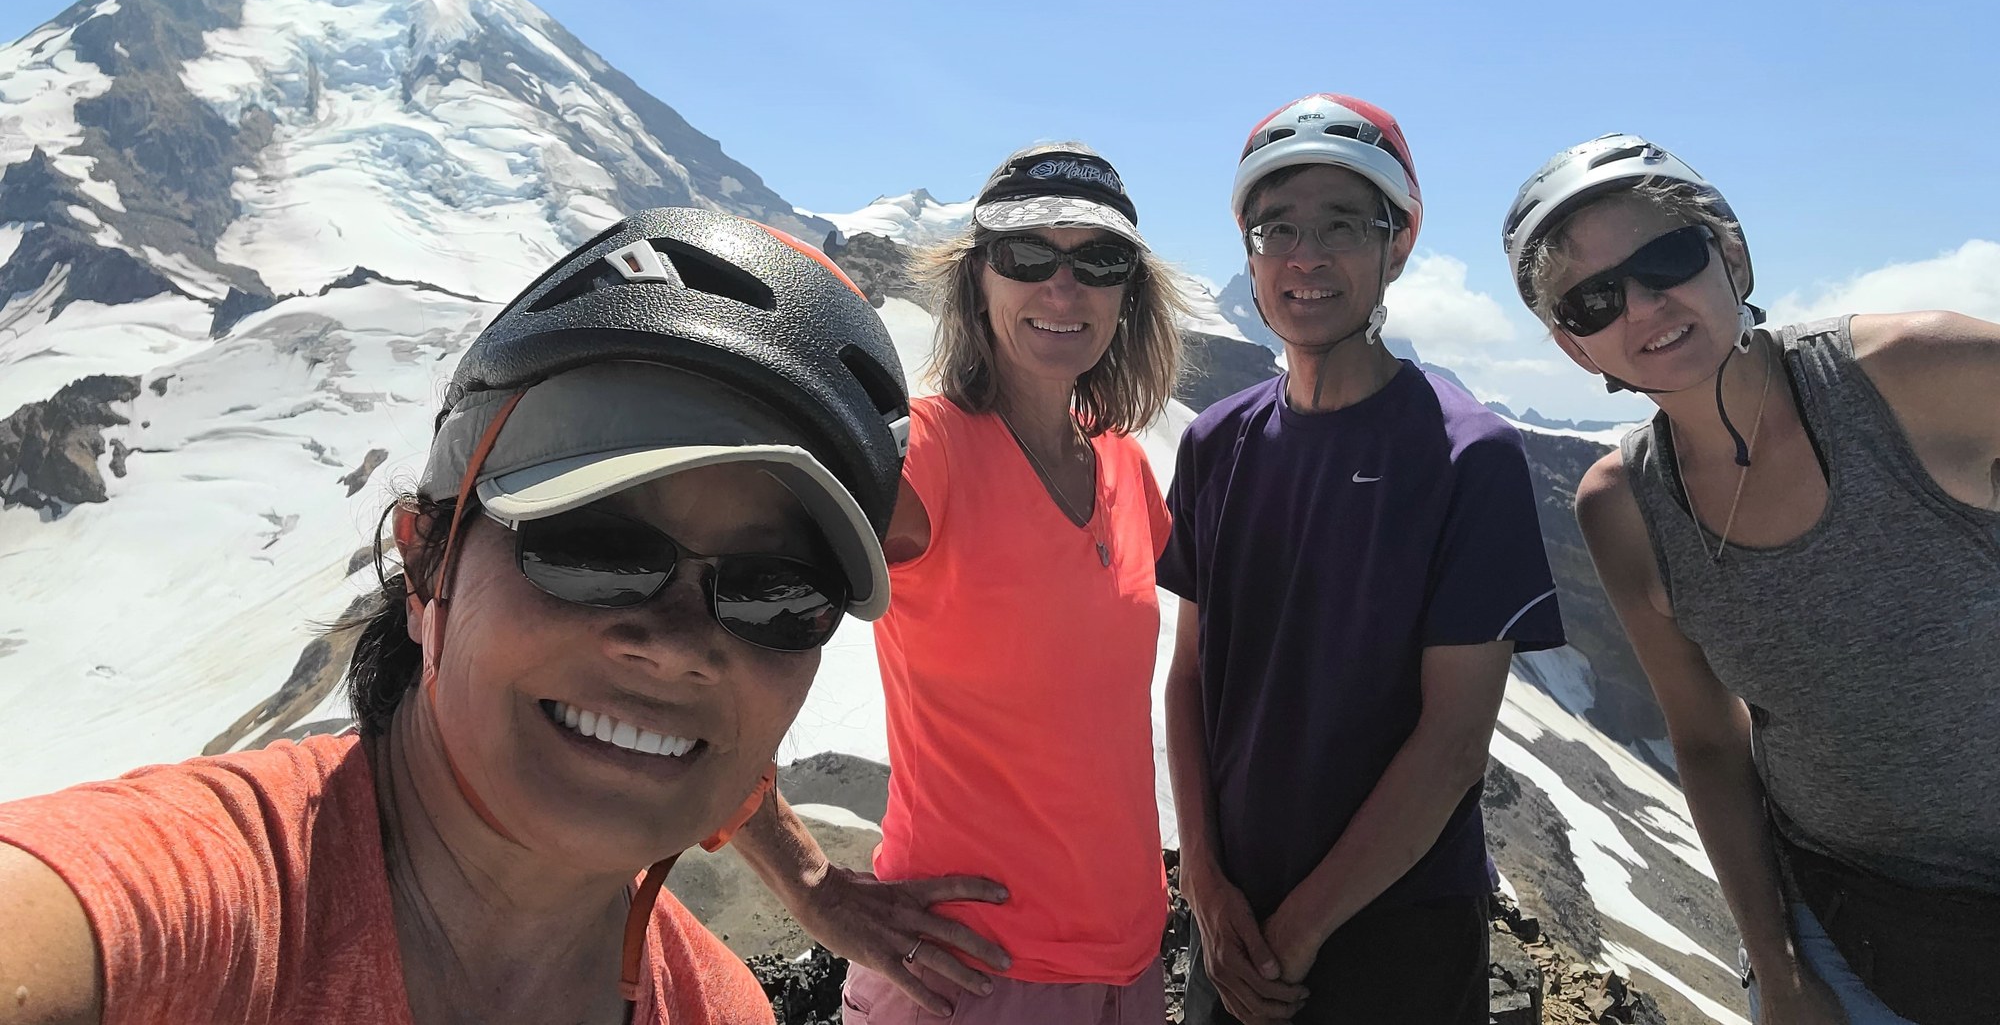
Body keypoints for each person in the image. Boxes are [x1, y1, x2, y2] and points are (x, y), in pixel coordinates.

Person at [0, 207, 914, 1025]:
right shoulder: (177, 916)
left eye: (777, 594)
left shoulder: (719, 1006)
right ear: (427, 558)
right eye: (592, 548)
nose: (677, 647)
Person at [1503, 134, 2000, 1025]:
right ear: (1575, 349)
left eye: (1666, 258)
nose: (1645, 305)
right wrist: (1777, 969)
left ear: (1730, 252)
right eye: (1593, 299)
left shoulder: (1918, 374)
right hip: (1851, 936)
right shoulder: (1623, 508)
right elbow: (1705, 740)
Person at [731, 142, 1189, 1024]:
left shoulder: (1126, 468)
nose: (1064, 289)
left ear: (1128, 291)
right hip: (967, 980)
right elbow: (723, 623)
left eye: (1098, 260)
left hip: (1129, 969)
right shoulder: (929, 455)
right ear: (979, 279)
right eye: (1027, 256)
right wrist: (810, 883)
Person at [1161, 94, 1566, 1025]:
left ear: (1400, 241)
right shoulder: (1216, 443)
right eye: (1277, 228)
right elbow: (1189, 678)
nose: (1305, 256)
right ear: (1250, 252)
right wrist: (1210, 892)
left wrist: (1297, 927)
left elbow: (1454, 742)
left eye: (1342, 223)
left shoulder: (1471, 456)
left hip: (1400, 935)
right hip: (1235, 924)